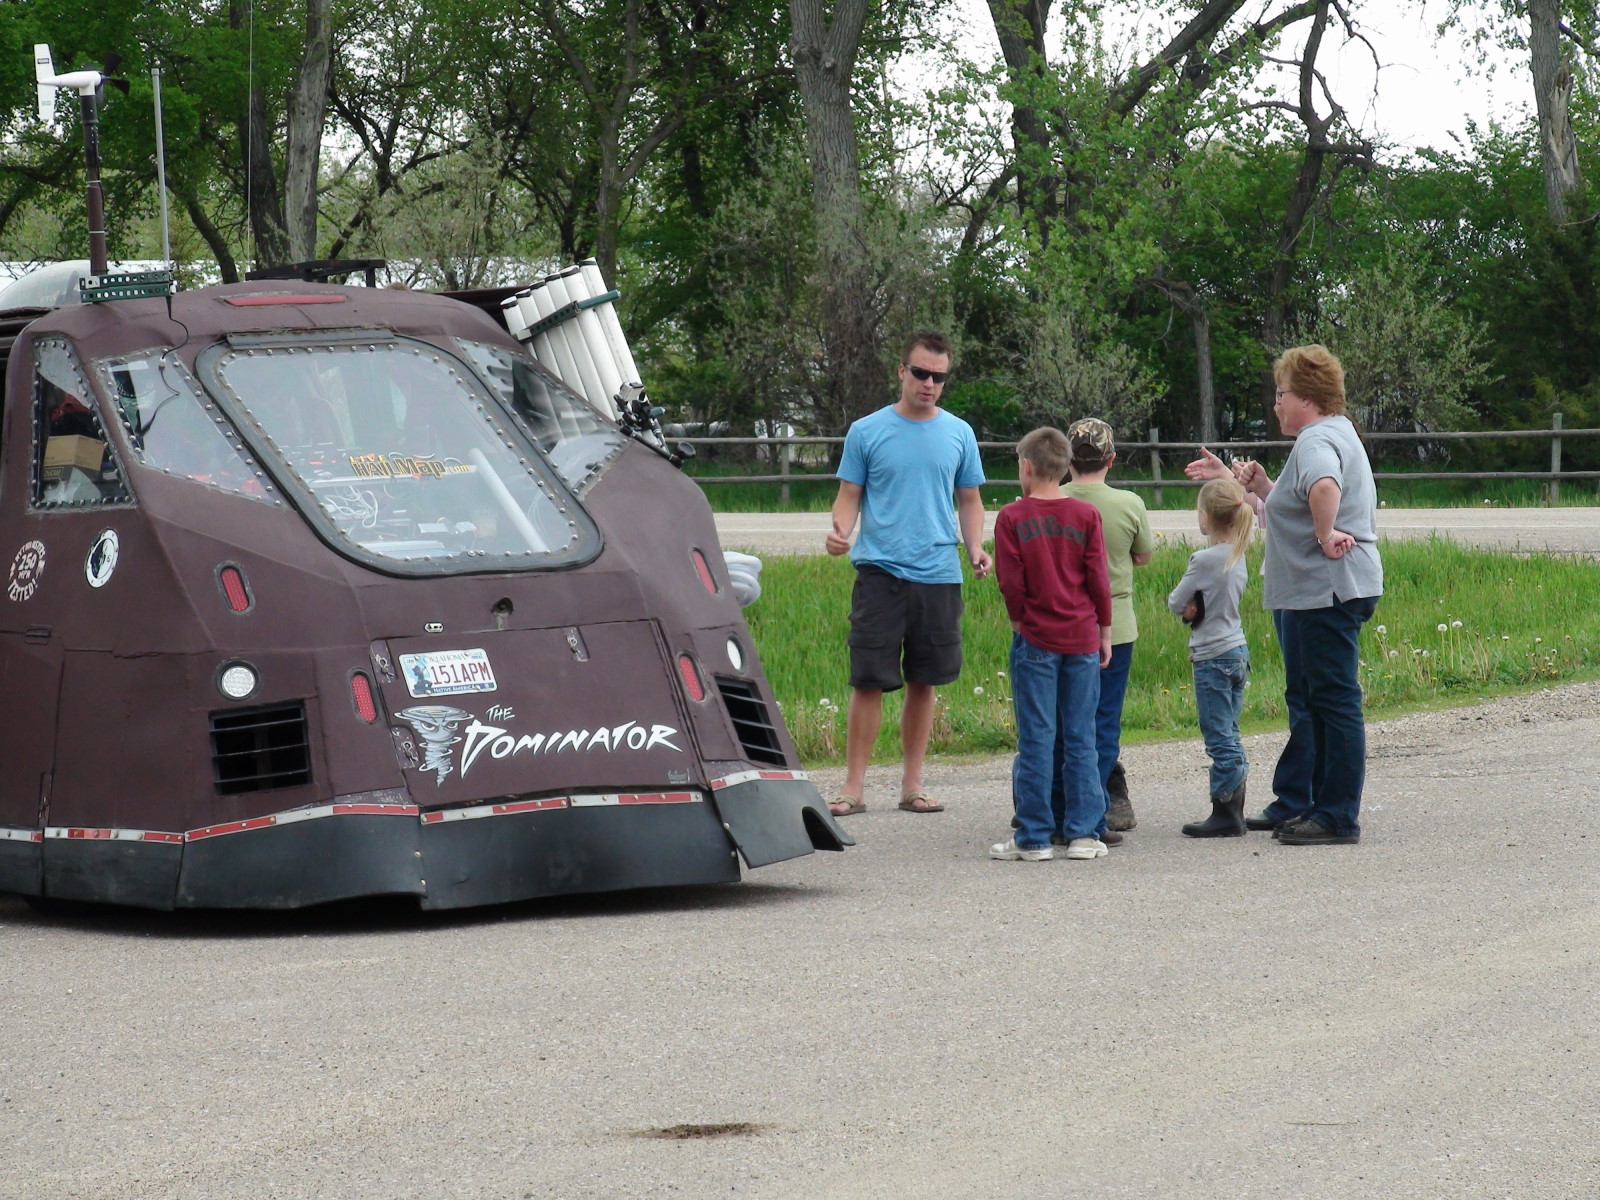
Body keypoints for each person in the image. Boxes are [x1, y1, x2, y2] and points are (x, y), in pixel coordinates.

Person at [1185, 343, 1382, 846]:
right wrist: (1264, 488)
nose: (1276, 404)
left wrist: (1325, 534)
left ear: (1307, 398)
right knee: (1318, 701)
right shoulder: (1334, 433)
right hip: (1325, 590)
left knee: (1333, 702)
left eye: (1282, 394)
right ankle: (1315, 806)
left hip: (1327, 590)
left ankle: (1337, 816)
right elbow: (1296, 504)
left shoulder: (1316, 442)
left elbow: (1324, 488)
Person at [824, 331, 991, 817]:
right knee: (868, 680)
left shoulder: (959, 433)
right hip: (880, 572)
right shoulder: (866, 431)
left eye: (938, 377)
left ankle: (912, 785)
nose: (929, 384)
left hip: (938, 575)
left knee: (925, 680)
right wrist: (840, 532)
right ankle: (853, 788)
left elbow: (970, 500)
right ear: (902, 372)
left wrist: (975, 546)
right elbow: (849, 495)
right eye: (920, 373)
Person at [990, 427, 1113, 861]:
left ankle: (1034, 836)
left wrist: (1019, 620)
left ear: (1026, 466)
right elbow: (1098, 578)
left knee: (1037, 738)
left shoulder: (1011, 517)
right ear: (1065, 467)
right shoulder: (1086, 515)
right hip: (1081, 636)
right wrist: (1104, 630)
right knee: (1081, 736)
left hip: (1036, 638)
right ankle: (1083, 833)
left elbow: (1011, 580)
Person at [1061, 418, 1154, 833]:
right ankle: (1094, 802)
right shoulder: (1129, 503)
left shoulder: (1053, 499)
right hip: (1115, 624)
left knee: (1062, 717)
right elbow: (1143, 555)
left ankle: (1057, 800)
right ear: (1111, 459)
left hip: (1063, 622)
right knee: (1103, 718)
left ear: (1067, 460)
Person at [1167, 478, 1255, 837]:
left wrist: (1190, 608)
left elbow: (1176, 602)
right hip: (1237, 649)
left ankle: (1225, 811)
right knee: (1230, 729)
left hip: (1212, 655)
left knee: (1218, 735)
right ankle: (1235, 806)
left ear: (1206, 516)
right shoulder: (1238, 552)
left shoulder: (1203, 559)